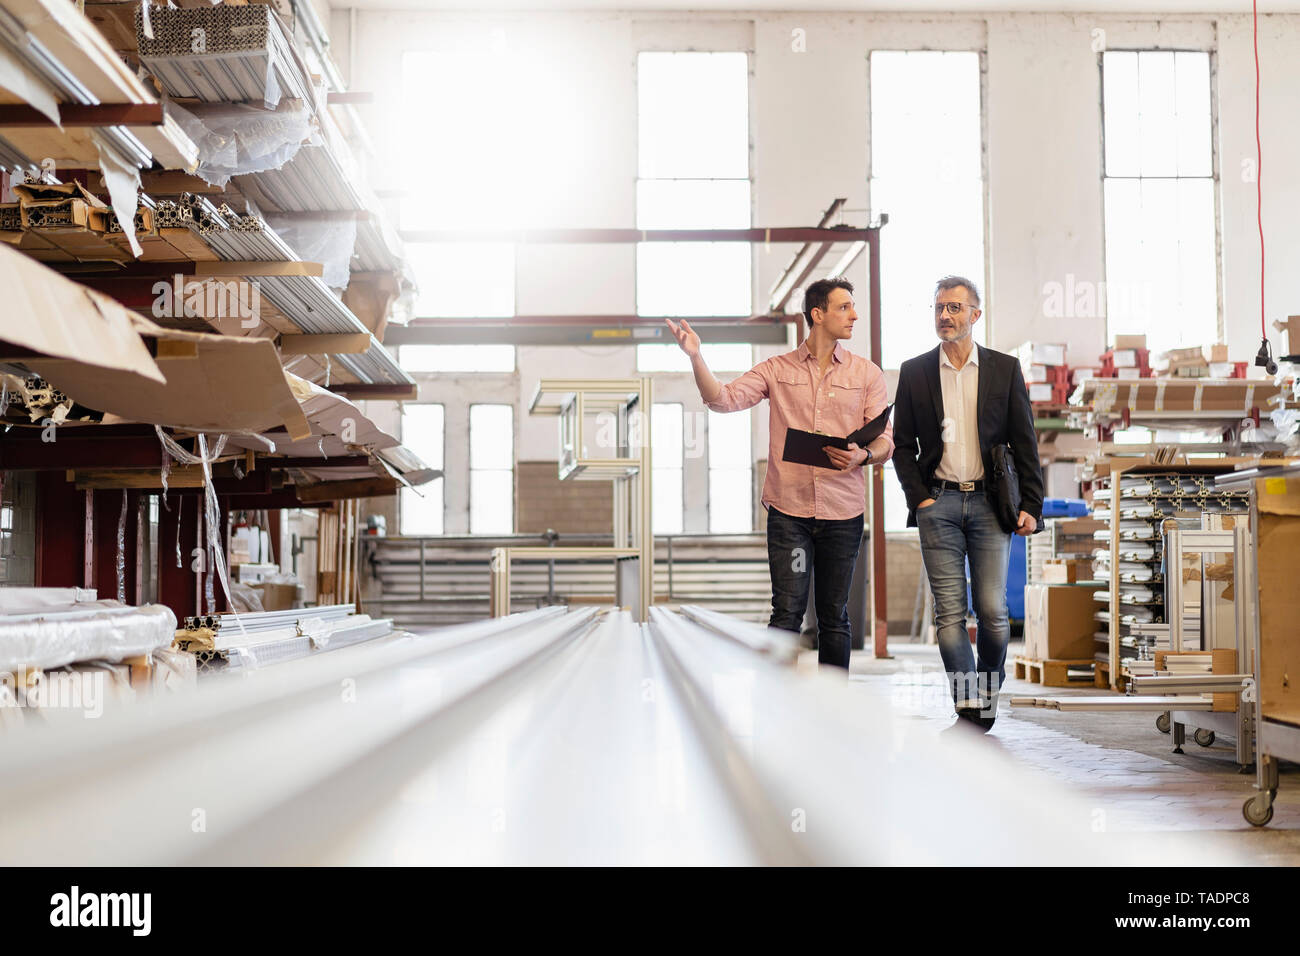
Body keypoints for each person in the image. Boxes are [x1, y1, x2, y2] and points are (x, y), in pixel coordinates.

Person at [666, 277, 893, 669]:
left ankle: (832, 710)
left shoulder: (867, 374)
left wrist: (863, 455)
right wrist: (695, 357)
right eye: (844, 307)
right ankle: (777, 709)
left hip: (843, 513)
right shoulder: (776, 369)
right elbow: (721, 399)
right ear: (817, 314)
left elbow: (886, 439)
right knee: (786, 612)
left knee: (834, 617)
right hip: (790, 513)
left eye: (853, 307)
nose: (854, 315)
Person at [892, 276, 1042, 730]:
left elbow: (1025, 442)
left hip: (989, 506)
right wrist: (918, 497)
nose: (945, 316)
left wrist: (1031, 504)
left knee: (994, 612)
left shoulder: (1003, 369)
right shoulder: (915, 371)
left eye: (955, 308)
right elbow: (902, 446)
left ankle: (988, 692)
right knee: (949, 614)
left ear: (976, 315)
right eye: (939, 308)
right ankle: (967, 702)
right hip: (938, 504)